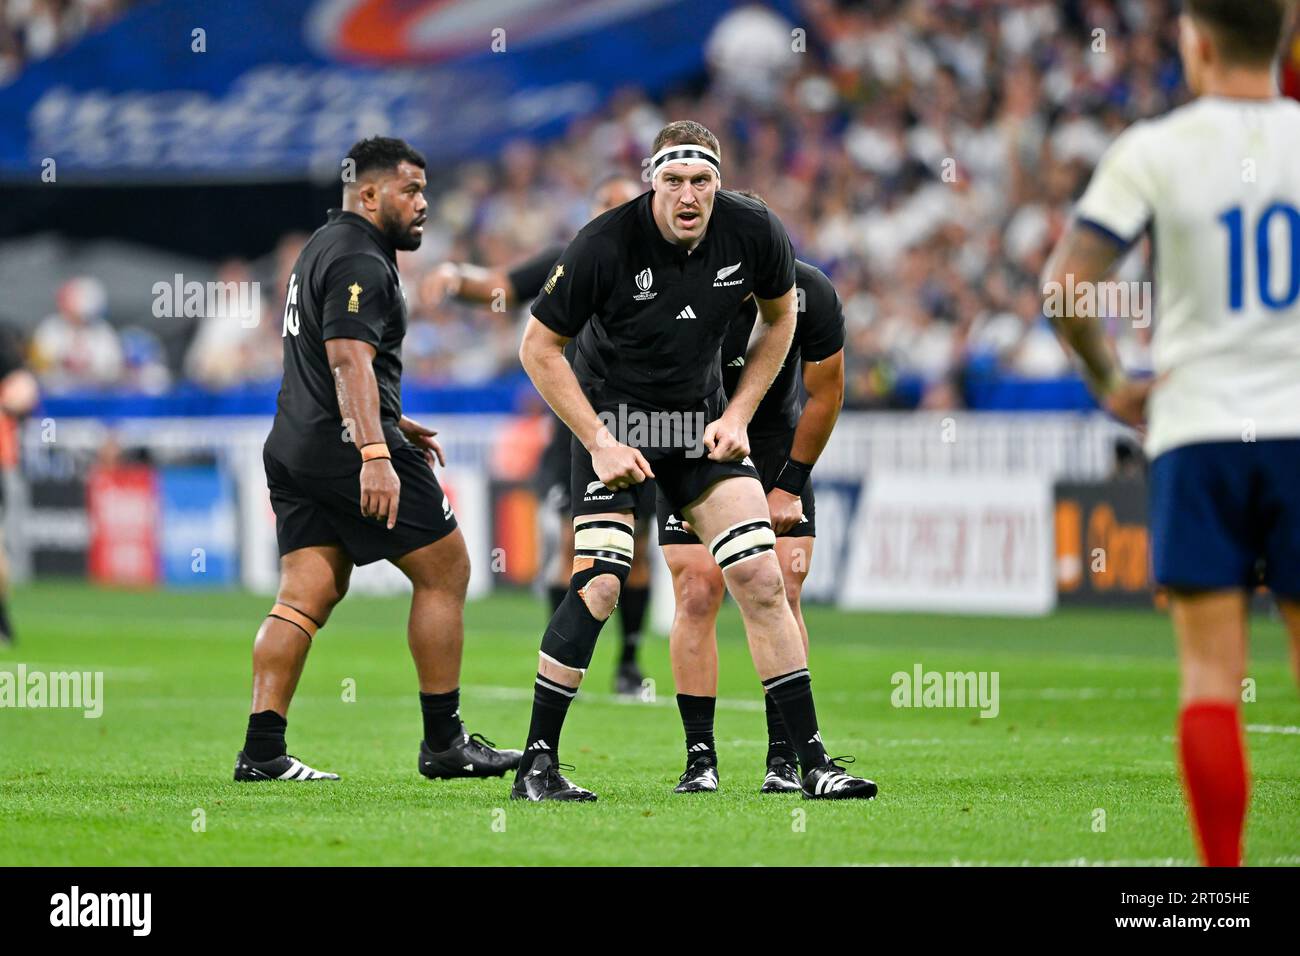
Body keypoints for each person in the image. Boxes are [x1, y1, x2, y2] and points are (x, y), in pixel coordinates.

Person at [509, 120, 877, 801]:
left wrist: (737, 415)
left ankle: (812, 763)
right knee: (600, 585)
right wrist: (598, 440)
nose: (688, 195)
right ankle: (537, 765)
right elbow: (538, 347)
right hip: (615, 426)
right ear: (653, 181)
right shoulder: (603, 243)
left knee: (763, 578)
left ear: (718, 183)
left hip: (696, 427)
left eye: (701, 181)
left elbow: (780, 319)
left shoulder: (754, 229)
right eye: (674, 180)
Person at [1042, 0, 1300, 866]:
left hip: (1198, 431)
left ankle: (1221, 886)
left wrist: (1112, 381)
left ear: (1193, 42)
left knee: (1209, 682)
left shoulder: (1155, 149)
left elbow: (1067, 287)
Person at [235, 136, 520, 782]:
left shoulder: (320, 246)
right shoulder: (361, 259)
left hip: (295, 444)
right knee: (446, 569)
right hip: (344, 447)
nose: (423, 204)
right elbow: (346, 358)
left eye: (424, 190)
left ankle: (261, 751)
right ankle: (445, 743)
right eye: (410, 191)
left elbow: (327, 360)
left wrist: (390, 418)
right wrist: (373, 447)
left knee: (307, 592)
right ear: (368, 194)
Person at [425, 176, 656, 695]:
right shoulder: (571, 258)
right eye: (601, 203)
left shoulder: (662, 270)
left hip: (641, 424)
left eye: (620, 205)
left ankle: (629, 662)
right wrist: (458, 278)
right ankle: (562, 655)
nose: (608, 213)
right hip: (576, 427)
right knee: (573, 542)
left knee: (636, 548)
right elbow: (504, 286)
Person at [660, 247, 845, 794]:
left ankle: (785, 758)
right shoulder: (679, 284)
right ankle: (700, 759)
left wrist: (789, 484)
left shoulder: (812, 291)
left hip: (772, 450)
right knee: (696, 590)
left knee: (782, 587)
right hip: (691, 445)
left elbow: (827, 391)